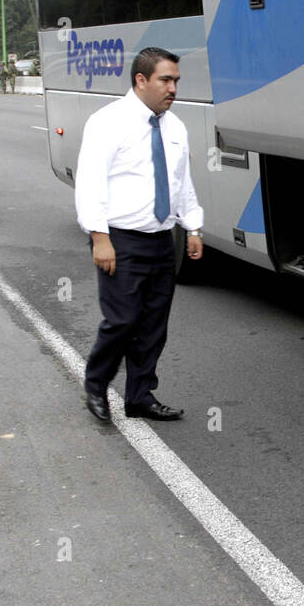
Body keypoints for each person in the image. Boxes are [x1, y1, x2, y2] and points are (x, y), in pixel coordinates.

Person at [75, 46, 203, 423]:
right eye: (165, 80)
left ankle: (140, 396)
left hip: (162, 239)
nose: (173, 88)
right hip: (121, 239)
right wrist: (100, 238)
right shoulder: (108, 122)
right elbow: (90, 183)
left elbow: (182, 183)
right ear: (141, 80)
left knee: (153, 325)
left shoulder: (175, 126)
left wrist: (192, 226)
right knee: (123, 320)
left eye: (176, 80)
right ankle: (96, 386)